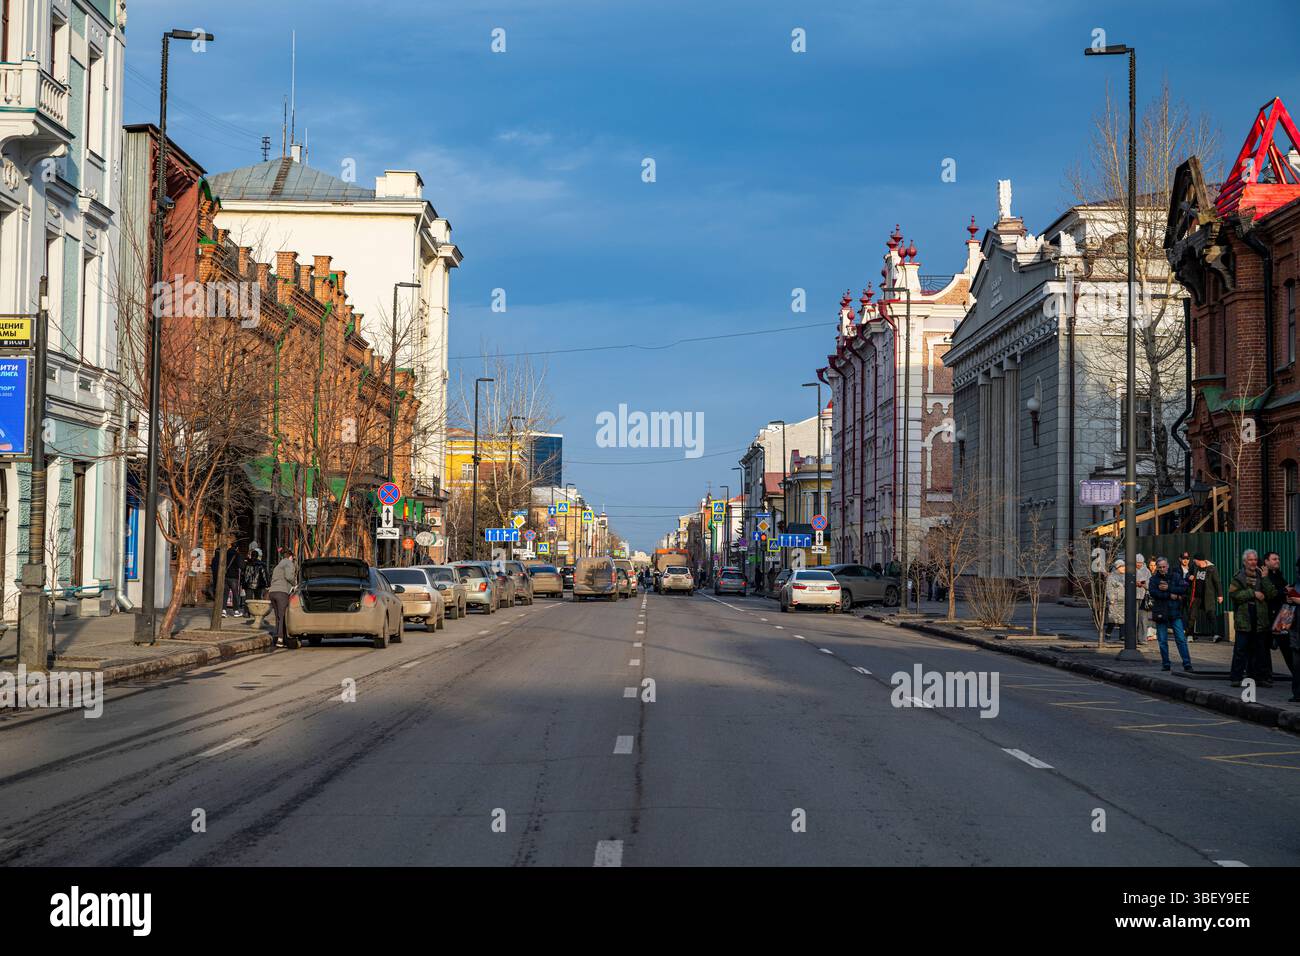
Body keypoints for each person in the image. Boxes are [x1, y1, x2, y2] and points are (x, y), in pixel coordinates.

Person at [1228, 549, 1277, 688]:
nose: (1253, 562)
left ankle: (1258, 677)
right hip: (1244, 618)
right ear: (1244, 562)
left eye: (1255, 559)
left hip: (1260, 618)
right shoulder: (1239, 577)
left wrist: (1266, 578)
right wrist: (1253, 593)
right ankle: (1236, 677)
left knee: (1259, 650)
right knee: (1241, 649)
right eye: (1250, 560)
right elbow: (1234, 595)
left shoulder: (1262, 575)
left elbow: (1272, 594)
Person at [1148, 556, 1193, 672]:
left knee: (1181, 639)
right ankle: (1166, 663)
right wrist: (1170, 595)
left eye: (1164, 566)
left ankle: (1187, 663)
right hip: (1161, 612)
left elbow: (1184, 588)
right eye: (1160, 567)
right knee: (1162, 640)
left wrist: (1169, 588)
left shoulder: (1175, 576)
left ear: (1168, 566)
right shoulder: (1154, 579)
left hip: (1174, 612)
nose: (1162, 569)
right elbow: (1153, 593)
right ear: (1157, 568)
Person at [1263, 551, 1296, 684]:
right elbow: (1270, 594)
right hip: (1271, 615)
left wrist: (1288, 592)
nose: (1277, 561)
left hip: (1283, 615)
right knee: (1267, 647)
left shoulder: (1279, 575)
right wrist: (1283, 593)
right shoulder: (1265, 576)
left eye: (1278, 559)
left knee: (1287, 647)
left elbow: (1284, 590)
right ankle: (1266, 675)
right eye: (1274, 559)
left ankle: (1296, 675)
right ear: (1266, 562)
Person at [1187, 554, 1223, 642]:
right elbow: (1188, 573)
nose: (1194, 562)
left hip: (1208, 596)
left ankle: (1215, 635)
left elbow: (1217, 582)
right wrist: (1189, 576)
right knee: (1192, 615)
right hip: (1196, 596)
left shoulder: (1212, 569)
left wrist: (1220, 595)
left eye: (1195, 560)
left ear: (1200, 560)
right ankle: (1190, 635)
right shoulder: (1194, 567)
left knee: (1211, 615)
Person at [268, 547, 298, 650]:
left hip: (272, 592)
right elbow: (289, 577)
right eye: (293, 558)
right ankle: (281, 639)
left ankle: (277, 636)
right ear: (290, 557)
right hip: (282, 592)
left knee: (277, 616)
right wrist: (295, 584)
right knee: (283, 616)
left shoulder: (278, 565)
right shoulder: (289, 563)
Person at [1104, 558, 1126, 642]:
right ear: (1117, 567)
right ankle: (1108, 632)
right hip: (1115, 601)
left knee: (1122, 618)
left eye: (1124, 566)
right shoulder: (1112, 577)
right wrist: (1111, 598)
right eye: (1122, 566)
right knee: (1113, 618)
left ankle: (1122, 635)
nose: (1124, 568)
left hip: (1123, 600)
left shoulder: (1125, 576)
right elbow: (1109, 588)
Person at [1136, 553, 1154, 642]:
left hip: (1143, 597)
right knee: (1134, 619)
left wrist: (1143, 584)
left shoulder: (1147, 571)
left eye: (1140, 563)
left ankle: (1142, 638)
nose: (1139, 564)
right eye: (1137, 562)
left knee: (1143, 619)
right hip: (1133, 597)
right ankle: (1133, 638)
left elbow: (1150, 584)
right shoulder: (1131, 570)